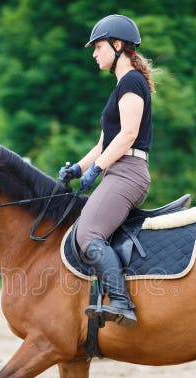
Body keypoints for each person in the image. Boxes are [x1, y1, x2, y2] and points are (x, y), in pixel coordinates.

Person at [58, 14, 155, 328]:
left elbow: (128, 135)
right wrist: (78, 168)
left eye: (98, 46)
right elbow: (103, 143)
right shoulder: (120, 87)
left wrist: (97, 170)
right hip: (119, 170)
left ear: (118, 45)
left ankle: (122, 303)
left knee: (87, 233)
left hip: (129, 172)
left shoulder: (131, 82)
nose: (94, 53)